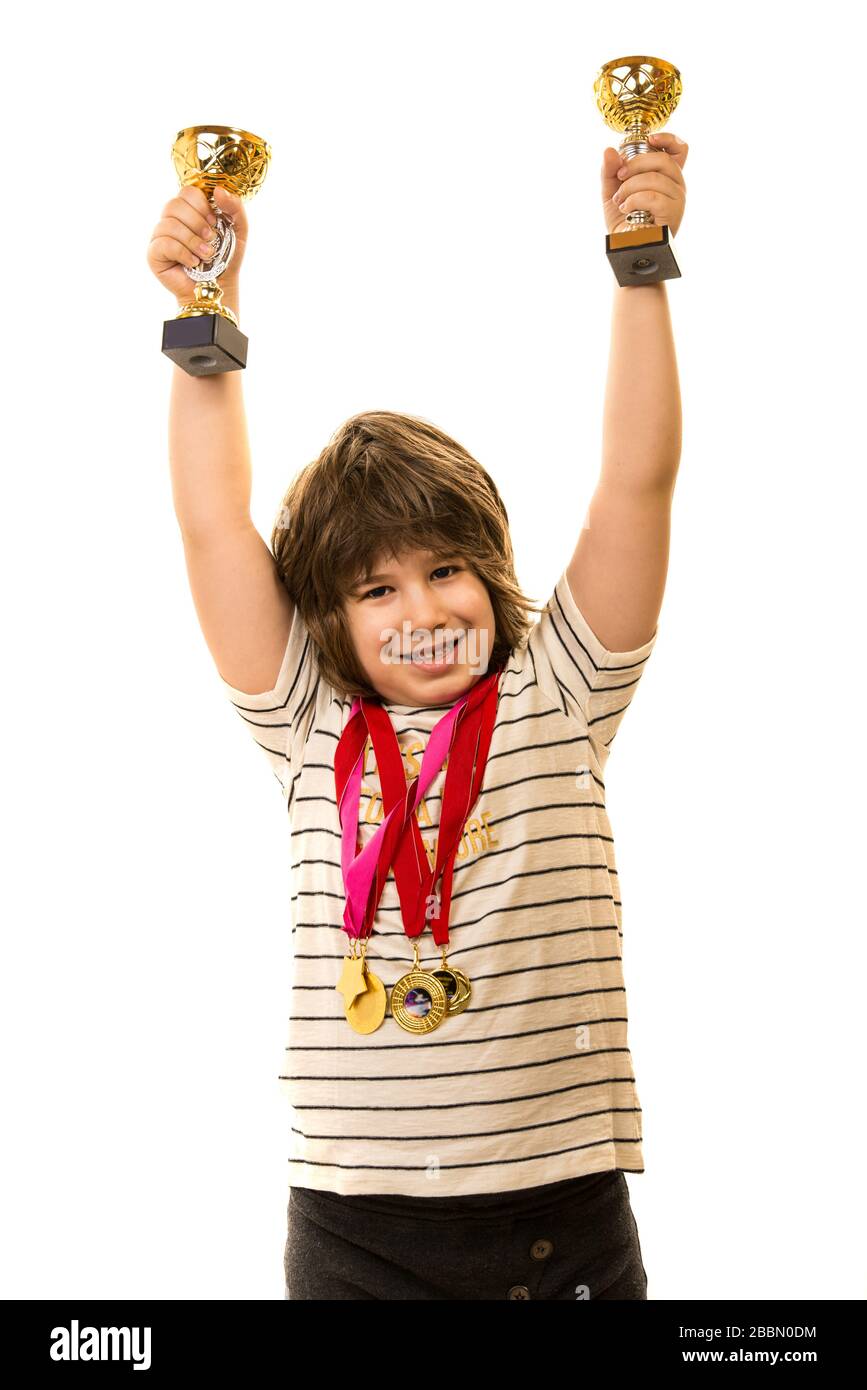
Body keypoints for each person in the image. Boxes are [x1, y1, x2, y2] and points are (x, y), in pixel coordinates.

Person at [146, 132, 686, 1300]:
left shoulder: (561, 691)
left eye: (446, 568)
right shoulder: (307, 723)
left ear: (491, 572)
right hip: (354, 1232)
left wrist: (638, 260)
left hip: (559, 1224)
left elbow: (635, 478)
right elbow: (212, 524)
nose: (422, 609)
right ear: (330, 617)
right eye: (374, 587)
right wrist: (208, 312)